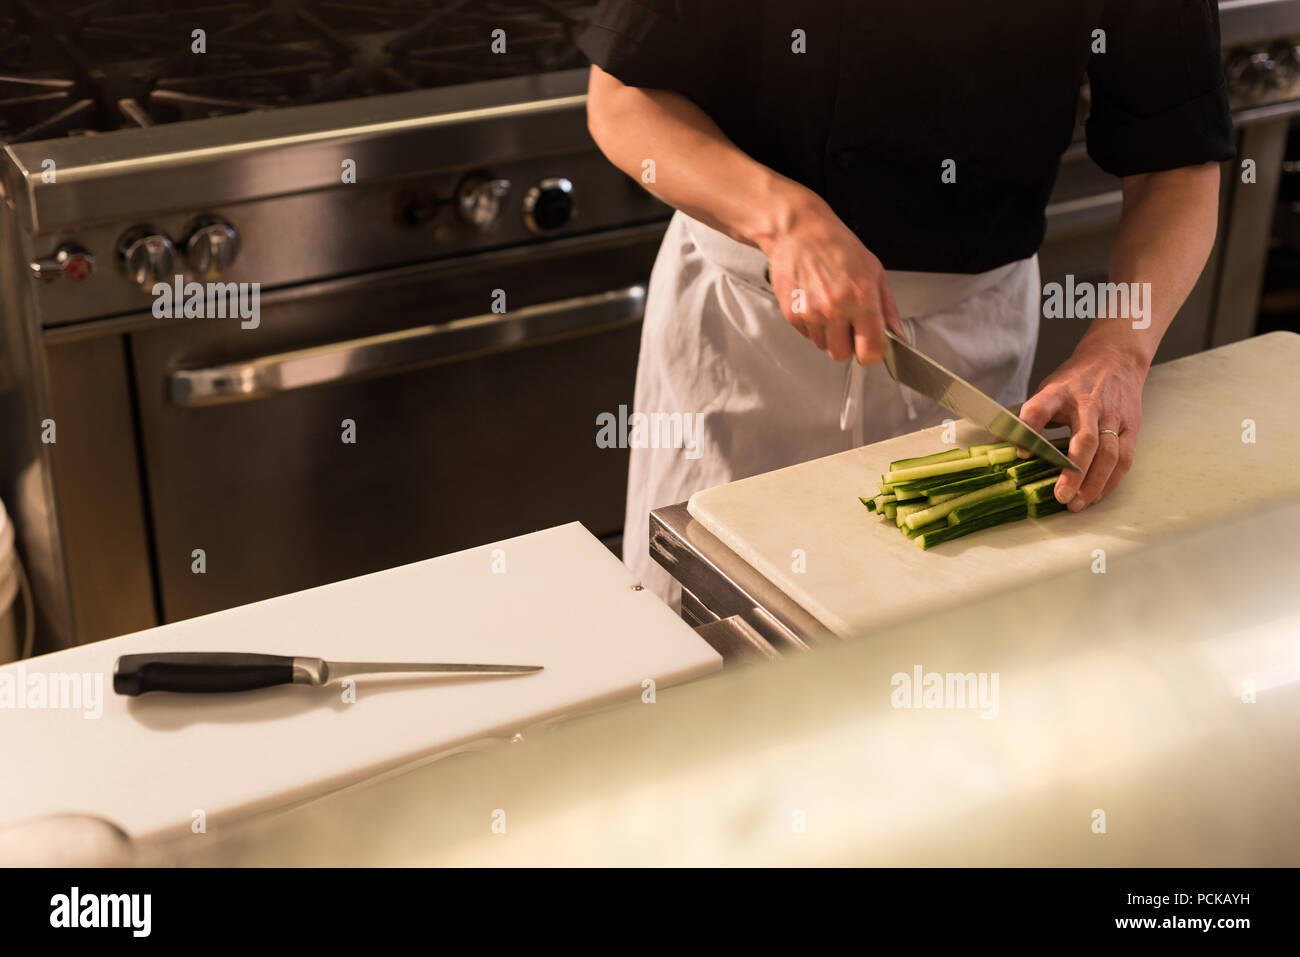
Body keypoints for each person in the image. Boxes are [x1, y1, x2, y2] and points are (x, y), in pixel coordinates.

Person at [579, 2, 1234, 603]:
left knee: (939, 651)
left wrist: (1120, 348)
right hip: (744, 337)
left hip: (974, 342)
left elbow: (1175, 161)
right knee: (712, 659)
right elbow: (624, 96)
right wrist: (786, 221)